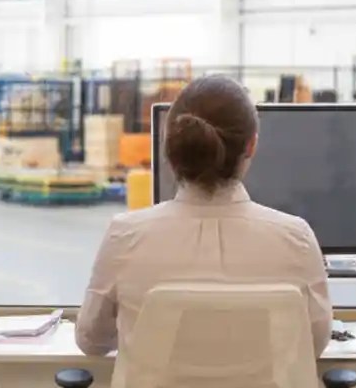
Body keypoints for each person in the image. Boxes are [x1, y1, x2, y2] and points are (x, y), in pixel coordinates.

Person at [75, 75, 333, 359]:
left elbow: (91, 339)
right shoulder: (297, 239)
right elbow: (314, 344)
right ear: (251, 146)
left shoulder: (124, 236)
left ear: (169, 146)